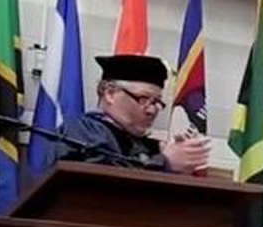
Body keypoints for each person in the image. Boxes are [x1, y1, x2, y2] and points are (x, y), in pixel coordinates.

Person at [54, 54, 209, 173]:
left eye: (157, 102)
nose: (152, 110)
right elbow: (102, 182)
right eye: (143, 99)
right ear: (110, 94)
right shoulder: (82, 131)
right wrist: (165, 162)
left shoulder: (149, 146)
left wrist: (178, 166)